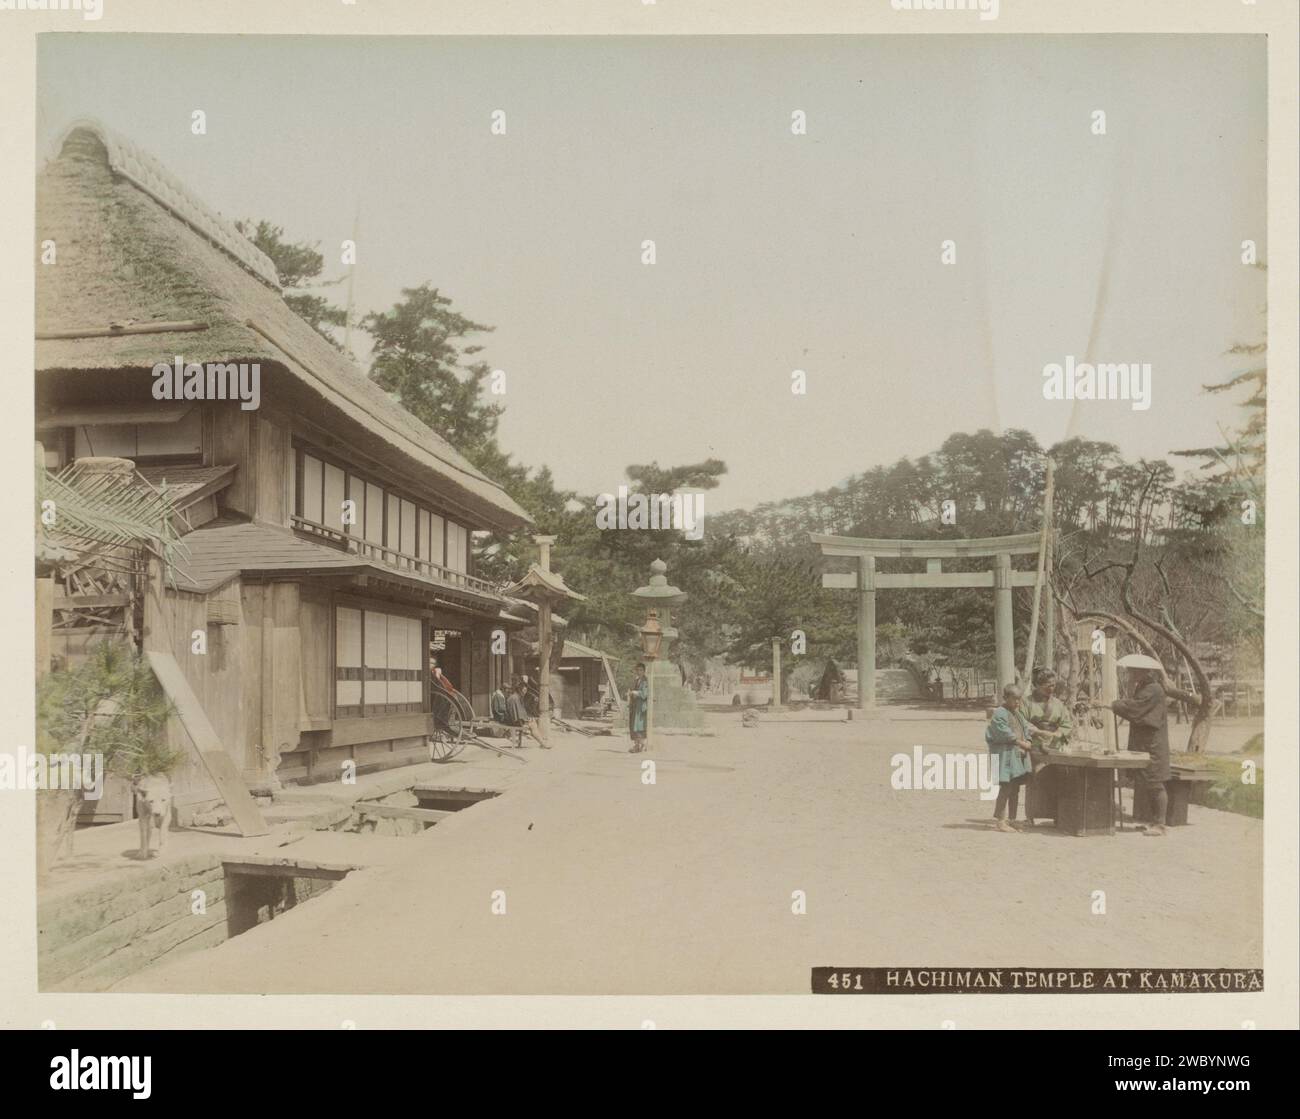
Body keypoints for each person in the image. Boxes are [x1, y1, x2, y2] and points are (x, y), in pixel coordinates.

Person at [1108, 660, 1171, 836]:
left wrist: (1113, 705)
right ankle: (1153, 820)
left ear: (1142, 671)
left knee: (1155, 782)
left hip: (1153, 743)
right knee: (1146, 782)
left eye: (1132, 671)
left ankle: (1161, 824)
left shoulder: (1154, 689)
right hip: (1144, 741)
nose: (1130, 675)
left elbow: (1136, 708)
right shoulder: (1143, 686)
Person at [1022, 668, 1073, 827]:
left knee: (1058, 779)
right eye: (1047, 686)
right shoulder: (1026, 702)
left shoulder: (1058, 704)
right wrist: (1037, 732)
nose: (1051, 689)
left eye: (1053, 685)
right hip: (1035, 745)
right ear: (1037, 685)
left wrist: (1058, 733)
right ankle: (1031, 815)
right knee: (1035, 780)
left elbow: (1067, 724)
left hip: (1054, 745)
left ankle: (1057, 815)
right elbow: (1022, 722)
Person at [985, 683, 1035, 833]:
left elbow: (1025, 728)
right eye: (1014, 699)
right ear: (1006, 698)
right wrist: (1021, 743)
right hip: (1004, 755)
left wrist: (1028, 741)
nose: (1017, 702)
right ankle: (1000, 821)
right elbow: (1003, 732)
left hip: (1016, 756)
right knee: (1005, 787)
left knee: (1015, 788)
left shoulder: (1017, 714)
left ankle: (1012, 819)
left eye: (1019, 699)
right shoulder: (1000, 713)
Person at [507, 676, 548, 749]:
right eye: (524, 690)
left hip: (513, 720)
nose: (525, 692)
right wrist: (524, 722)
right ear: (520, 690)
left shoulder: (516, 697)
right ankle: (543, 743)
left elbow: (519, 712)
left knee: (533, 722)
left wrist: (527, 719)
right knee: (533, 725)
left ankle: (542, 743)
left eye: (526, 690)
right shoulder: (515, 698)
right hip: (512, 721)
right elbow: (516, 715)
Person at [627, 662, 650, 754]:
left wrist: (635, 693)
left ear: (644, 671)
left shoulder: (645, 681)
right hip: (635, 706)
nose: (639, 672)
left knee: (640, 726)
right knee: (634, 726)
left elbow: (644, 694)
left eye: (641, 670)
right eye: (638, 670)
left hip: (641, 706)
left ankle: (641, 745)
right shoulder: (637, 681)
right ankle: (636, 745)